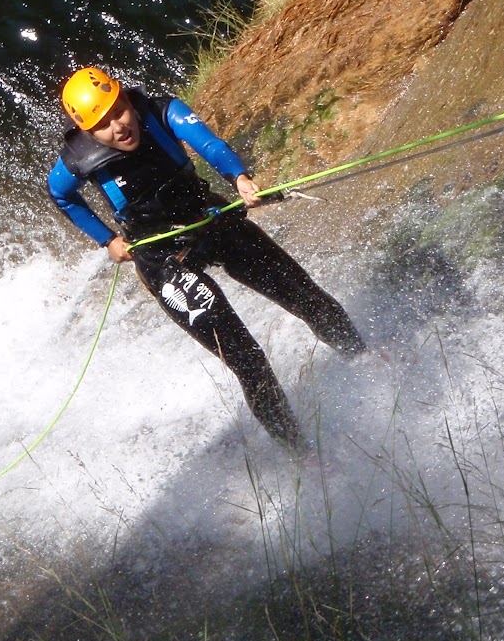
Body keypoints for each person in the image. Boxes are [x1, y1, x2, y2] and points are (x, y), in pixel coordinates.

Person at [47, 66, 364, 450]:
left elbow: (209, 145)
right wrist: (108, 240)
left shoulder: (161, 112)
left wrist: (239, 178)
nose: (118, 126)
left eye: (119, 111)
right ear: (87, 132)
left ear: (127, 98)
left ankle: (367, 360)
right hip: (161, 259)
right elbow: (61, 194)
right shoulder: (78, 160)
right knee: (248, 359)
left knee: (305, 295)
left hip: (209, 220)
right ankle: (302, 453)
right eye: (103, 124)